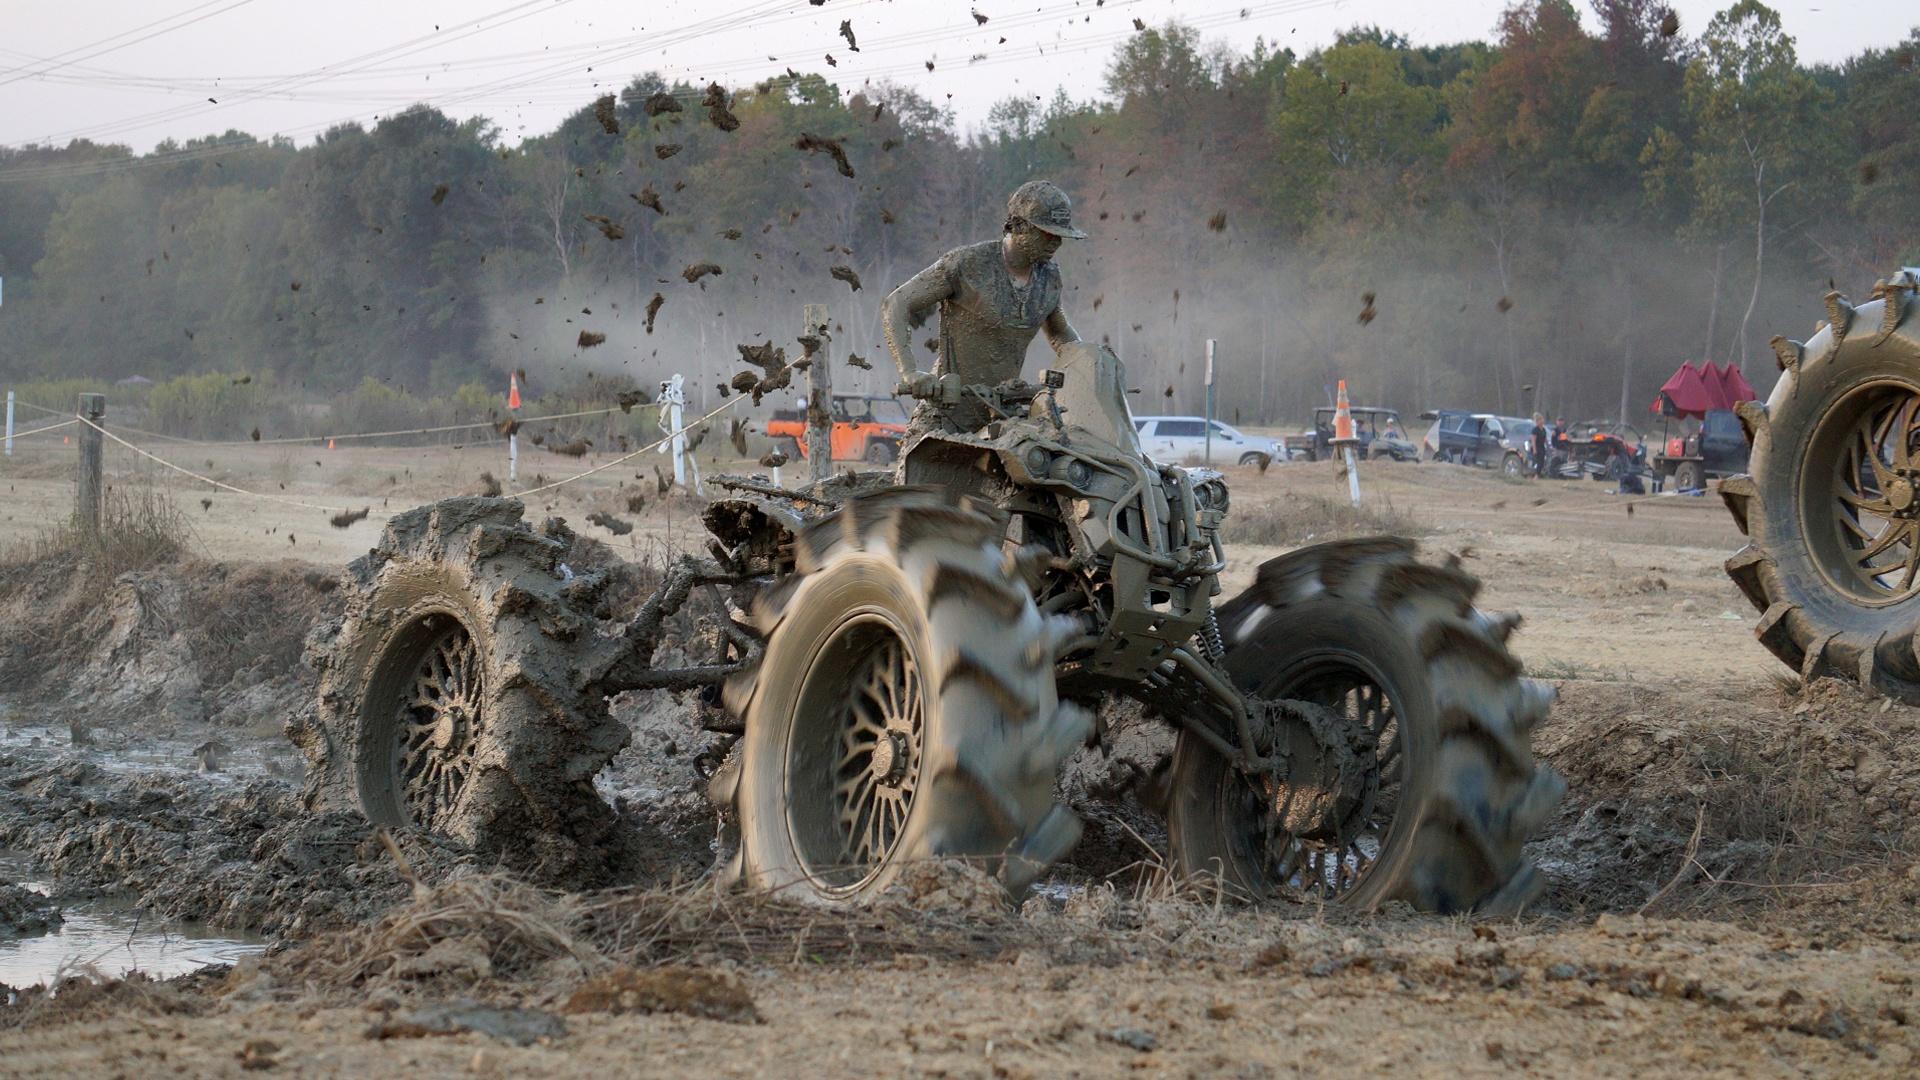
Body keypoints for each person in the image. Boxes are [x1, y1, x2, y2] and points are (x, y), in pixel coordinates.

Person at [882, 180, 1086, 433]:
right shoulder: (967, 264)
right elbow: (897, 303)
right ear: (1019, 226)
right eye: (1048, 233)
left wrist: (1089, 361)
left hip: (1003, 415)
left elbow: (1060, 332)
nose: (1056, 242)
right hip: (947, 414)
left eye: (1060, 236)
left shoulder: (1049, 277)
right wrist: (910, 372)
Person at [1529, 412, 1548, 477]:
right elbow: (1533, 440)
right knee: (1538, 462)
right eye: (1540, 420)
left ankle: (1538, 474)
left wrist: (1548, 446)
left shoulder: (1543, 429)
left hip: (1542, 447)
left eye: (1542, 419)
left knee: (1542, 461)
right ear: (1537, 421)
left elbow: (1545, 439)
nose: (1541, 421)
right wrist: (1534, 449)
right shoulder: (1535, 430)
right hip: (1536, 447)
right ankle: (1535, 475)